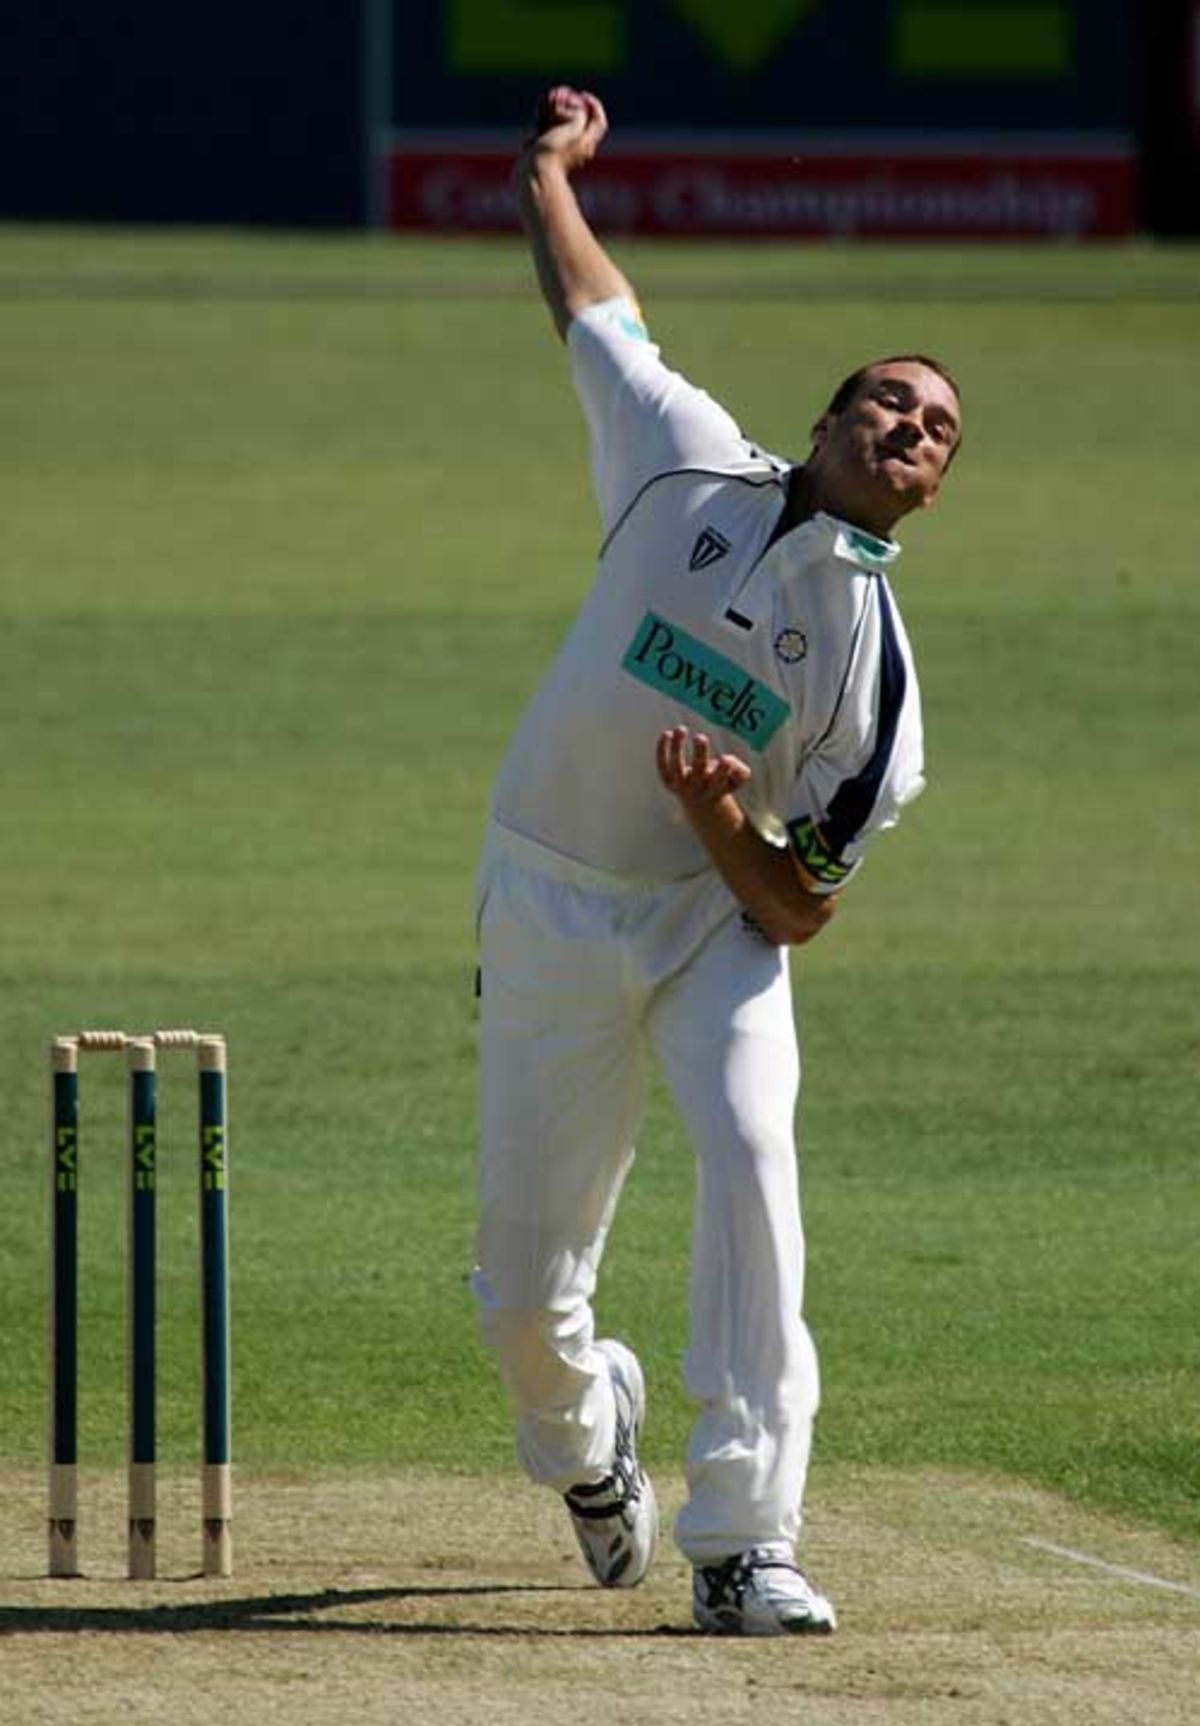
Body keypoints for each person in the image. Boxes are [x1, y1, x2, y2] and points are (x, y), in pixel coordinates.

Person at [471, 86, 962, 1637]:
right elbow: (601, 315)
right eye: (891, 401)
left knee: (754, 1166)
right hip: (546, 894)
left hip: (710, 929)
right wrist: (549, 174)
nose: (912, 428)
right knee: (523, 1307)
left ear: (935, 488)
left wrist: (714, 828)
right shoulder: (684, 463)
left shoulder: (873, 685)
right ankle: (587, 1437)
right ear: (826, 422)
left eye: (940, 430)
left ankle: (746, 1537)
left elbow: (797, 903)